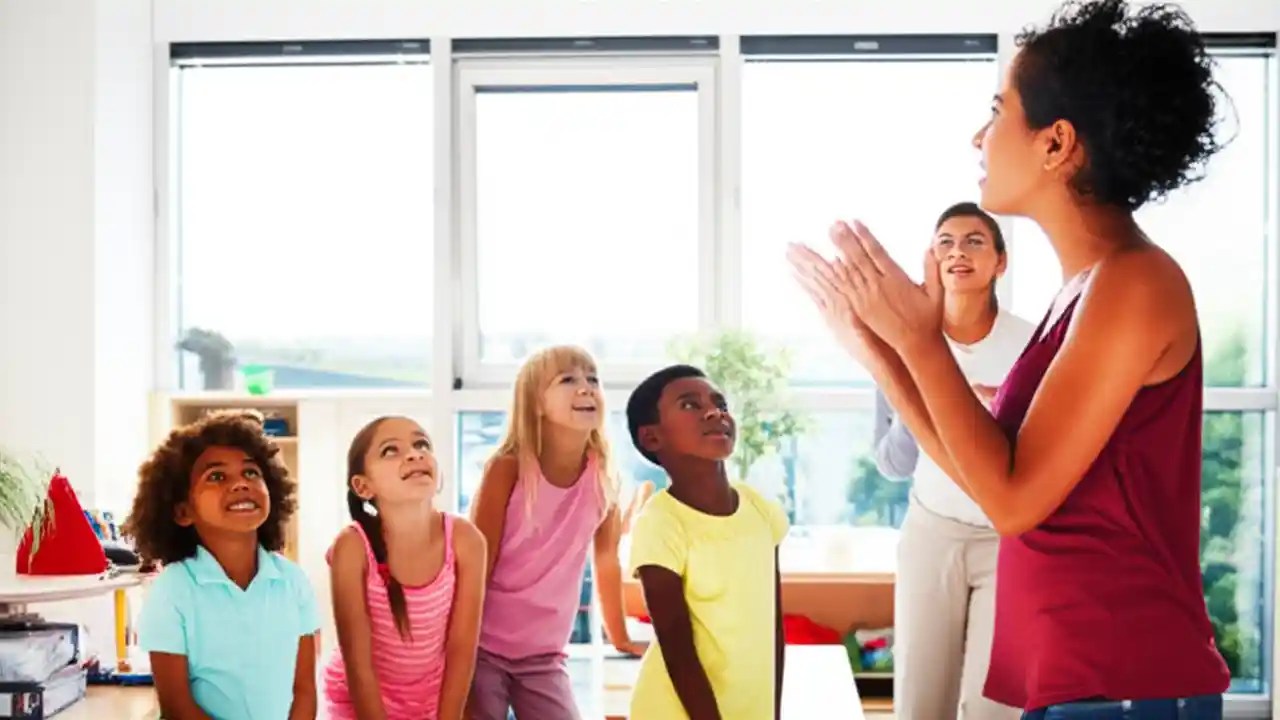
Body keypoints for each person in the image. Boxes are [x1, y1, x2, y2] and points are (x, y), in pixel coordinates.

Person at [788, 0, 1231, 717]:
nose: (979, 135)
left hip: (1125, 677)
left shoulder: (1134, 282)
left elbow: (1012, 503)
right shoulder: (1081, 293)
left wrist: (919, 341)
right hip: (1076, 674)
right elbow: (978, 467)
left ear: (1055, 143)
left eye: (998, 111)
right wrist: (879, 351)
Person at [873, 202, 1032, 720]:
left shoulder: (1033, 344)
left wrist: (993, 414)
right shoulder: (903, 343)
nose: (958, 252)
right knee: (921, 698)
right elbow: (892, 464)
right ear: (932, 259)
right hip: (932, 534)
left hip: (1007, 540)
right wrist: (920, 389)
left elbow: (1048, 450)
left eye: (974, 241)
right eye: (945, 242)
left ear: (999, 263)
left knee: (993, 706)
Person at [468, 345, 644, 720]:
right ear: (536, 404)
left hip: (544, 655)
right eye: (568, 379)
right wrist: (453, 645)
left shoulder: (604, 478)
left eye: (592, 379)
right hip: (482, 647)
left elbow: (607, 561)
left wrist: (619, 635)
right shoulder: (507, 468)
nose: (586, 387)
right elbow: (475, 563)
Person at [126, 410, 319, 720]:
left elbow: (305, 690)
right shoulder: (173, 589)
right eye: (217, 476)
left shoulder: (293, 582)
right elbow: (178, 706)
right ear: (183, 511)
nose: (241, 484)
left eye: (251, 473)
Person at [625, 364, 788, 720]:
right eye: (689, 405)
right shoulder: (660, 522)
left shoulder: (761, 511)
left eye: (720, 404)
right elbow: (676, 648)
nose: (715, 412)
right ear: (652, 437)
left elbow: (773, 628)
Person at [323, 416, 486, 719]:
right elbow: (359, 665)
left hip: (434, 698)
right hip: (361, 703)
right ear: (363, 486)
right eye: (390, 451)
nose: (415, 453)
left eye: (421, 444)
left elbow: (462, 649)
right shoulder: (353, 548)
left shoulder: (466, 540)